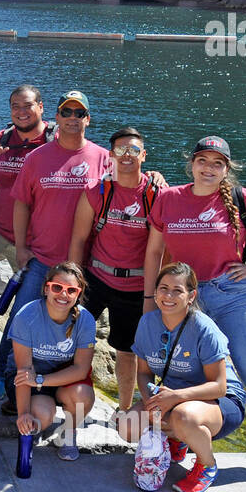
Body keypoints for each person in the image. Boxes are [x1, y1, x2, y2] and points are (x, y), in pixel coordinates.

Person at [144, 136, 246, 481]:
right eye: (203, 160)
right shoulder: (170, 199)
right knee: (187, 371)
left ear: (227, 169)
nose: (209, 168)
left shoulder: (240, 200)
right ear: (192, 163)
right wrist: (150, 300)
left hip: (235, 295)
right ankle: (186, 437)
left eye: (218, 163)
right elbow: (154, 253)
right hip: (189, 299)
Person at [0, 90, 112, 402]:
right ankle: (4, 383)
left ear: (87, 118)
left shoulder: (103, 158)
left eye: (79, 113)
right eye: (67, 112)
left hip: (85, 266)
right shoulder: (37, 158)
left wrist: (154, 176)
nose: (72, 118)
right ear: (56, 118)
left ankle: (59, 388)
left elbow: (130, 185)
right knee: (20, 319)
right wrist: (21, 248)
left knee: (74, 329)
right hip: (43, 260)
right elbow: (21, 204)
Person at [116, 262, 246, 492]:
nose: (168, 295)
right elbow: (144, 372)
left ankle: (207, 465)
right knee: (129, 425)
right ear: (155, 293)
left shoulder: (204, 329)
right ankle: (177, 441)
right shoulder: (147, 323)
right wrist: (151, 403)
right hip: (173, 396)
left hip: (222, 401)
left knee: (183, 416)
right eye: (163, 288)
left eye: (177, 290)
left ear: (191, 296)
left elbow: (219, 386)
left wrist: (176, 397)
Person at [68, 127, 160, 412]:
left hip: (135, 287)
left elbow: (160, 249)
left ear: (144, 155)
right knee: (70, 336)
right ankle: (69, 400)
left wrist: (150, 296)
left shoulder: (155, 195)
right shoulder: (98, 191)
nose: (127, 156)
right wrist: (73, 281)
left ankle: (122, 409)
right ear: (111, 155)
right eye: (121, 150)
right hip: (96, 278)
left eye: (133, 150)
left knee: (127, 351)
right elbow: (79, 239)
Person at [9, 262, 98, 462]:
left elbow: (81, 370)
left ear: (78, 293)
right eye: (57, 287)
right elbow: (23, 371)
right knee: (42, 416)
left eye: (71, 290)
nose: (63, 295)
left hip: (53, 379)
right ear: (46, 288)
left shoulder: (85, 320)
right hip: (26, 381)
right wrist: (23, 414)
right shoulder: (27, 315)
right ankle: (35, 423)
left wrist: (40, 380)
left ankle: (69, 432)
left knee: (83, 395)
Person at [0, 85, 55, 278]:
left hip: (35, 240)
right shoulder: (3, 138)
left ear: (41, 107)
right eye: (15, 106)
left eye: (27, 106)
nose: (21, 112)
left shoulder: (55, 141)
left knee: (37, 296)